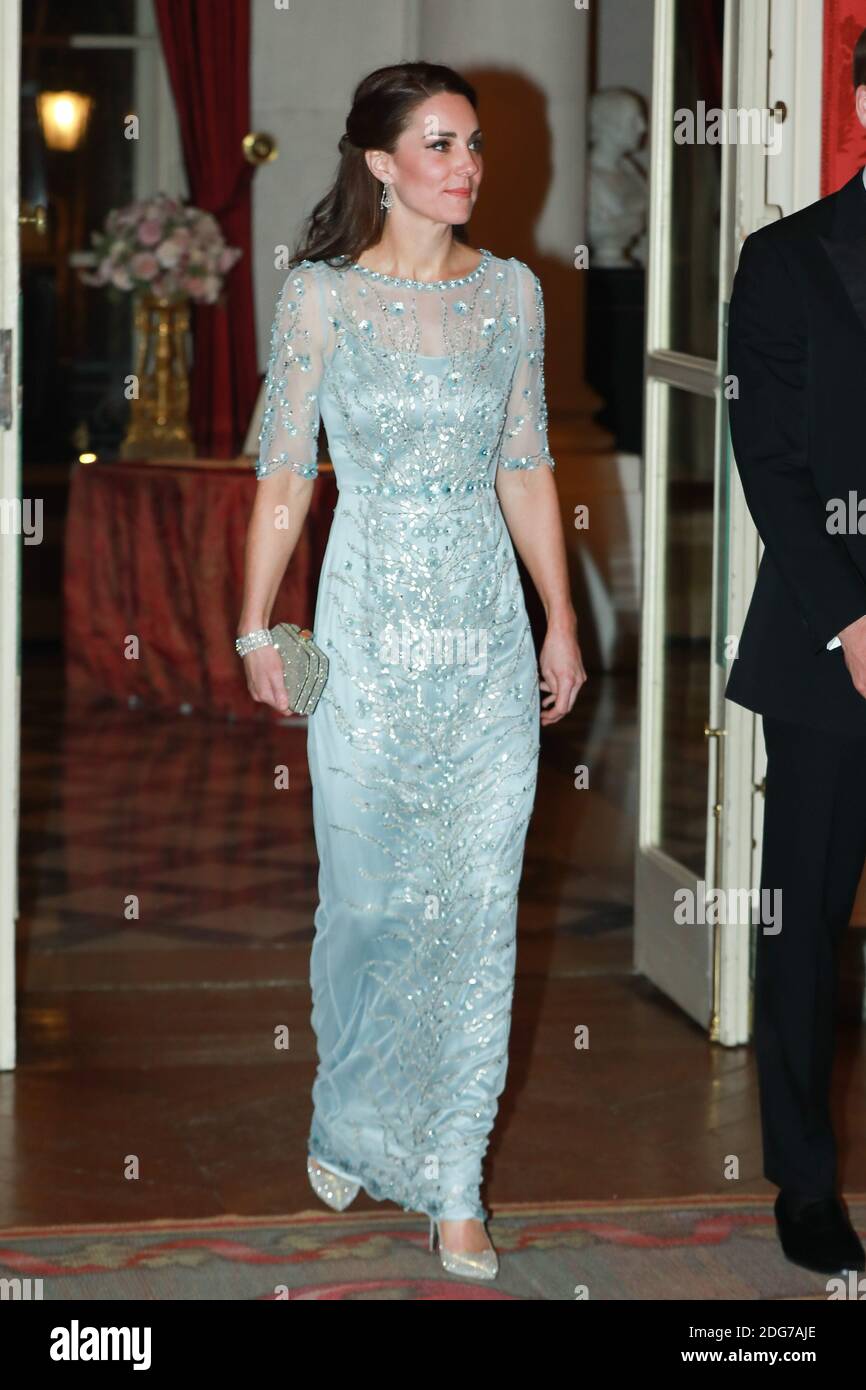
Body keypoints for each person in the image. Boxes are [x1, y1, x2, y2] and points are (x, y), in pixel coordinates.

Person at [235, 62, 584, 1280]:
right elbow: (286, 473)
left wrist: (558, 617)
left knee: (477, 911)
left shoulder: (513, 296)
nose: (466, 165)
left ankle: (451, 1180)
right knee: (374, 908)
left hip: (484, 637)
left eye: (473, 143)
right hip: (369, 638)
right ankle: (349, 1115)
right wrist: (252, 627)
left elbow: (525, 462)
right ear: (379, 165)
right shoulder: (322, 299)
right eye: (438, 144)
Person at [724, 32, 866, 1277]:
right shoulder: (780, 260)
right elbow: (769, 463)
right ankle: (804, 1180)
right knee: (805, 922)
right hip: (829, 647)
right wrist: (852, 614)